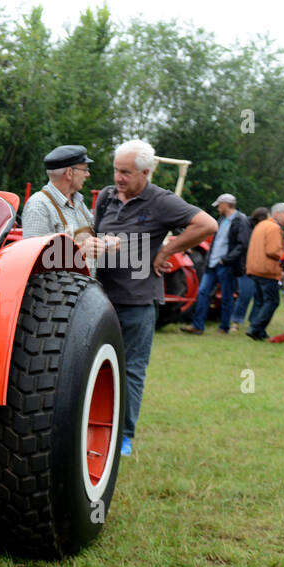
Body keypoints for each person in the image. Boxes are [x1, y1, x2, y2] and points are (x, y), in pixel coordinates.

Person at [84, 140, 216, 456]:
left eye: (126, 172)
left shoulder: (162, 201)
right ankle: (92, 427)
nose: (118, 178)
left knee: (130, 369)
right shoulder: (105, 196)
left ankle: (124, 436)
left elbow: (207, 224)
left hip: (137, 300)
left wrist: (167, 250)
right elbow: (91, 232)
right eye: (116, 170)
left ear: (146, 172)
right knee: (93, 365)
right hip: (100, 296)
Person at [181, 193, 249, 334]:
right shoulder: (221, 220)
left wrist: (226, 259)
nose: (218, 208)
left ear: (225, 204)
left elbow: (243, 245)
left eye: (219, 205)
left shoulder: (240, 220)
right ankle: (198, 326)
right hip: (212, 264)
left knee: (226, 296)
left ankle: (224, 327)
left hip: (226, 265)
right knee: (203, 293)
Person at [20, 145, 95, 240]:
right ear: (69, 172)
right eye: (85, 170)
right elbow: (34, 252)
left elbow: (93, 229)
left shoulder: (77, 200)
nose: (88, 174)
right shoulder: (39, 206)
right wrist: (80, 248)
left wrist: (105, 241)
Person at [242, 202, 284, 340]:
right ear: (276, 213)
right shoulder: (274, 228)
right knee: (272, 301)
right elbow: (273, 251)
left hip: (254, 269)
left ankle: (259, 332)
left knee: (260, 301)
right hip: (267, 271)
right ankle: (255, 328)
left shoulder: (261, 225)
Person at [231, 208, 271, 331]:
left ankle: (253, 322)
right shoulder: (245, 226)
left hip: (257, 267)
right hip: (245, 267)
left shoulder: (261, 229)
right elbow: (244, 247)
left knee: (258, 296)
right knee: (245, 295)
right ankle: (236, 322)